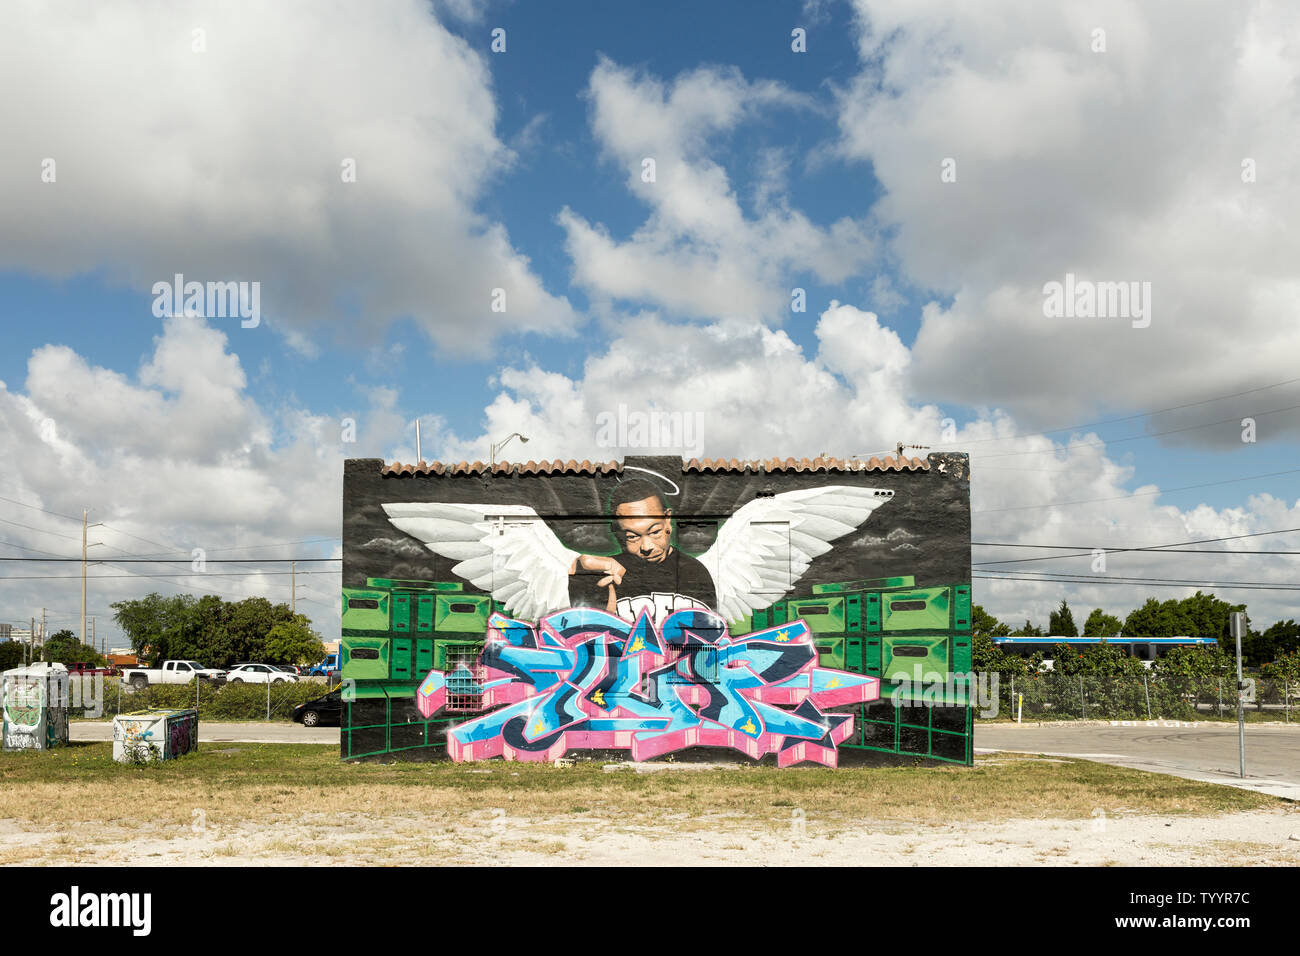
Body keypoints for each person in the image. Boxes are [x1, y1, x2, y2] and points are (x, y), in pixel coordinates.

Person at [568, 478, 717, 620]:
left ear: (668, 520)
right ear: (618, 533)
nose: (647, 547)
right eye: (632, 537)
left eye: (654, 532)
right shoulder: (606, 575)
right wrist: (579, 571)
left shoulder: (694, 573)